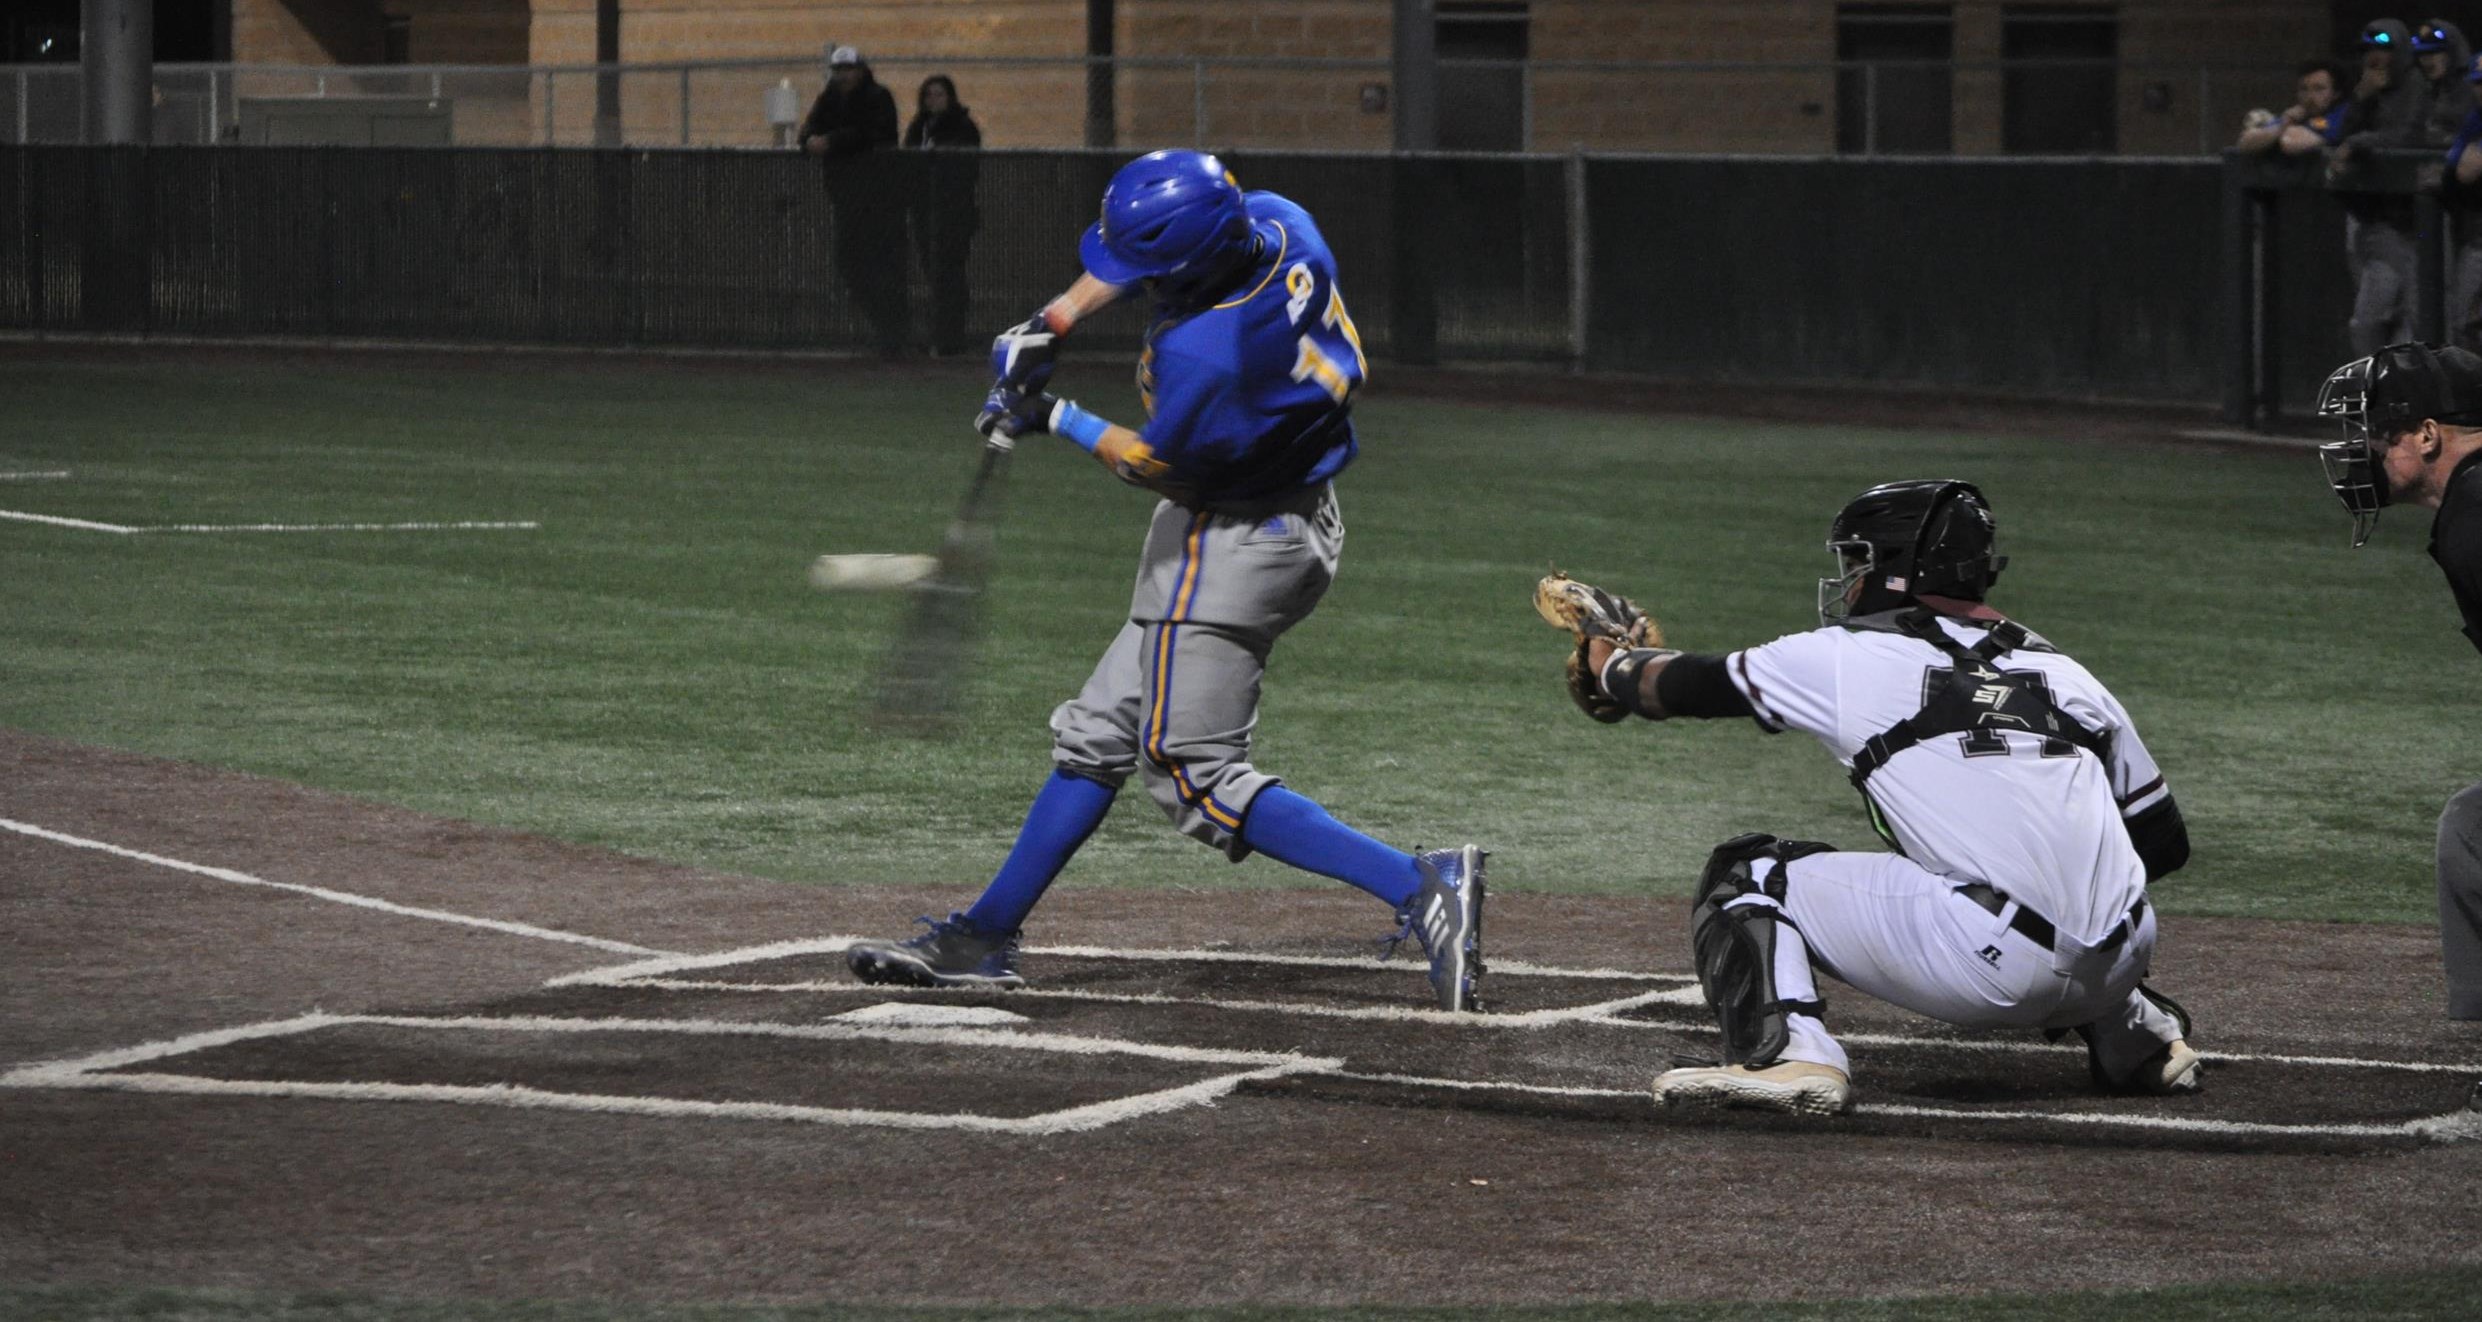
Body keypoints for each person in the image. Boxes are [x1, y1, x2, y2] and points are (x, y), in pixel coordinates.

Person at [843, 149, 1487, 1012]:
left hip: (1230, 543)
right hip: (1288, 511)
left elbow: (1157, 466)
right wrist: (1055, 320)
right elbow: (1150, 259)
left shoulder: (1212, 355)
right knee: (1098, 734)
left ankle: (1420, 885)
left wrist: (1052, 416)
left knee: (1194, 774)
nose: (1134, 281)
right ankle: (984, 935)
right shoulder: (1279, 221)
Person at [1554, 481, 2197, 1115]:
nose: (1851, 576)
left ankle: (1789, 1057)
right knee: (2060, 880)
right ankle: (2136, 1037)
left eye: (1859, 559)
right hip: (2122, 956)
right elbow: (2162, 843)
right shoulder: (2067, 673)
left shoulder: (1841, 658)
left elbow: (1689, 686)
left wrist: (1612, 662)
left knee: (1747, 873)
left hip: (1989, 971)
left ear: (1897, 567)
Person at [2313, 342, 2482, 1020]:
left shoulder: (2476, 518)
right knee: (2470, 828)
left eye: (2381, 438)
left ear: (2429, 435)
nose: (2367, 453)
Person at [798, 46, 907, 356]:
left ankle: (893, 334)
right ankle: (885, 330)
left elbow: (875, 134)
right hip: (845, 196)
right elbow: (809, 127)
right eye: (839, 70)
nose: (843, 75)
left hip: (879, 195)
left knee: (878, 264)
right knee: (850, 263)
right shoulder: (830, 98)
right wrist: (809, 141)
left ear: (860, 69)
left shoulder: (877, 97)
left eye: (848, 69)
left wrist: (831, 142)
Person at [2334, 20, 2433, 356]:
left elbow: (2405, 138)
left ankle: (2393, 395)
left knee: (2403, 319)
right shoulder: (2368, 92)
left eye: (2384, 49)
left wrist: (2358, 142)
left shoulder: (2416, 85)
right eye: (2370, 50)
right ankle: (2383, 394)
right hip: (2370, 217)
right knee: (2377, 319)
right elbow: (2337, 138)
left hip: (2411, 219)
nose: (2376, 57)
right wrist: (2361, 99)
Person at [903, 75, 983, 357]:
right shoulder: (919, 126)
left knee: (950, 272)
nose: (933, 101)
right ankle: (938, 333)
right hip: (926, 211)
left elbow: (967, 167)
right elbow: (909, 163)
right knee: (933, 272)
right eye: (929, 96)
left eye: (939, 95)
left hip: (953, 212)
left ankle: (952, 335)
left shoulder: (962, 126)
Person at [2443, 54, 2482, 349]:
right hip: (2476, 238)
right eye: (2479, 83)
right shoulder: (2476, 117)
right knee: (2463, 324)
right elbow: (2457, 165)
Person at [2235, 58, 2352, 155]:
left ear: (2336, 93)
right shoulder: (2295, 116)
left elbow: (2290, 143)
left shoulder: (2344, 115)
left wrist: (2278, 134)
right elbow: (2245, 142)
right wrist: (2283, 125)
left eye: (2319, 89)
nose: (2310, 96)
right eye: (2304, 89)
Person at [2419, 20, 2475, 146]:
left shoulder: (2474, 86)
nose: (2426, 59)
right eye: (2423, 53)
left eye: (2435, 52)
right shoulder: (2429, 90)